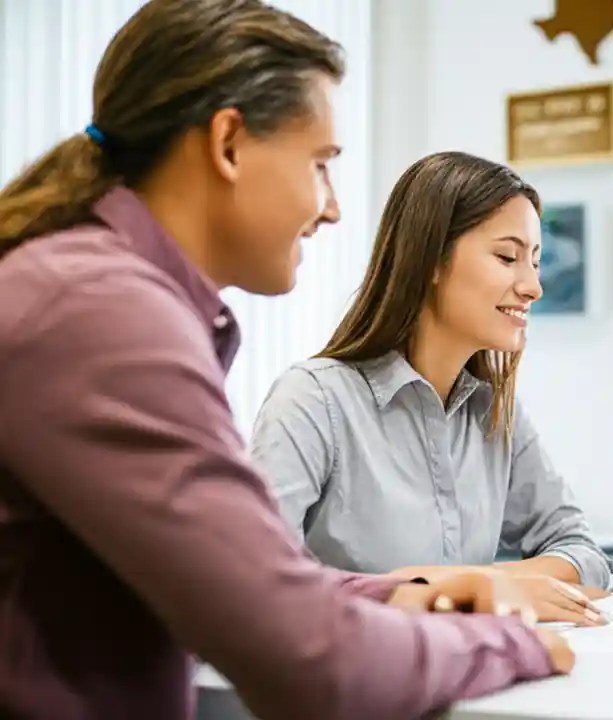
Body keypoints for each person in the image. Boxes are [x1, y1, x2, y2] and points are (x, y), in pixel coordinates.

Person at [0, 2, 570, 719]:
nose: (331, 209)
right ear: (230, 143)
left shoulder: (90, 288)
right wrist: (510, 644)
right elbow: (308, 660)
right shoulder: (95, 310)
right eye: (321, 165)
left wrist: (406, 595)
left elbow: (245, 581)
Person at [250, 151, 612, 627]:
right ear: (431, 261)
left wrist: (492, 586)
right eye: (507, 257)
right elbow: (256, 583)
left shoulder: (494, 411)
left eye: (537, 262)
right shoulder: (312, 402)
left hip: (466, 680)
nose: (532, 287)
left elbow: (583, 552)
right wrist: (460, 590)